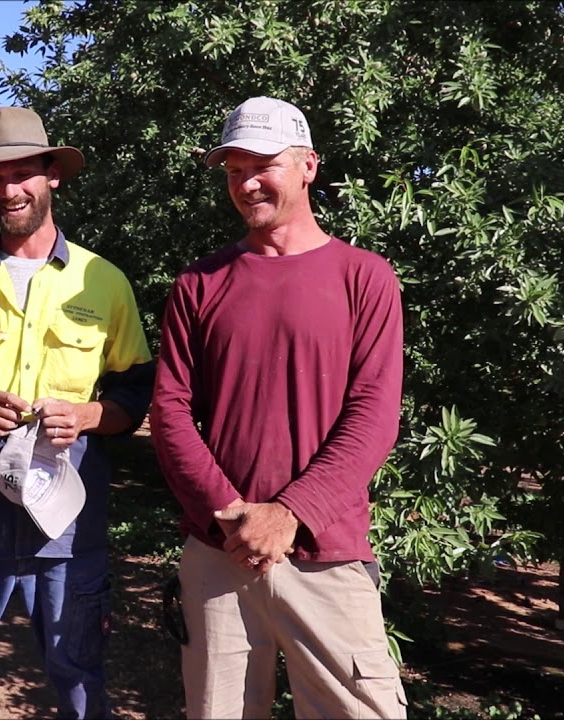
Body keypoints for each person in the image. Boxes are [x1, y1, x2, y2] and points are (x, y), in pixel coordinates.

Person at [149, 96, 408, 719]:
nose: (247, 182)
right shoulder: (200, 284)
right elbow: (171, 410)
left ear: (309, 165)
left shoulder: (364, 277)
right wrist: (230, 514)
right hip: (219, 552)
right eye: (234, 169)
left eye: (262, 164)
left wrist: (291, 513)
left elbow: (374, 415)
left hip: (327, 553)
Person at [0, 106, 154, 719]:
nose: (9, 189)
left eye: (22, 174)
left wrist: (89, 416)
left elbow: (133, 396)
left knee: (79, 677)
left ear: (51, 176)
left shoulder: (103, 281)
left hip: (66, 530)